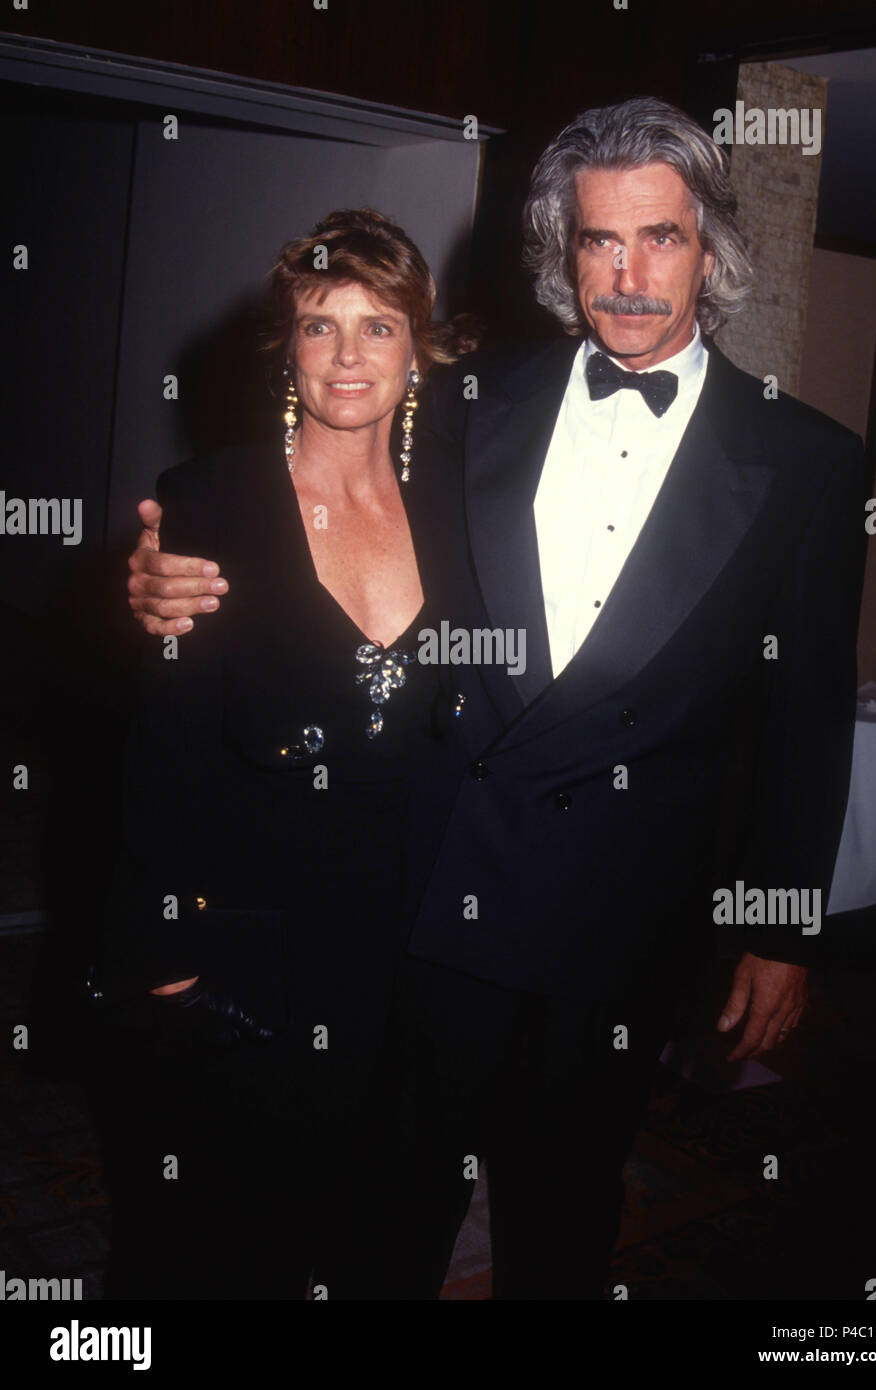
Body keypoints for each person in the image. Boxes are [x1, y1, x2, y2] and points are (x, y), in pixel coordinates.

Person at [126, 97, 867, 1300]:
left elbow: (806, 718)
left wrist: (780, 932)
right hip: (430, 898)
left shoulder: (810, 462)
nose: (627, 276)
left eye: (660, 239)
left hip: (621, 926)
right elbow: (311, 517)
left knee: (563, 1221)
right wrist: (171, 577)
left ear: (711, 250)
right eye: (597, 242)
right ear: (560, 255)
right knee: (389, 1212)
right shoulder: (467, 407)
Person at [100, 207, 476, 1299]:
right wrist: (166, 960)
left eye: (378, 326)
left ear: (420, 346)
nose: (348, 356)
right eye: (321, 326)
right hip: (255, 949)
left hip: (414, 946)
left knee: (389, 1234)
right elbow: (159, 754)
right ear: (287, 345)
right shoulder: (211, 499)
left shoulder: (463, 499)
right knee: (225, 1244)